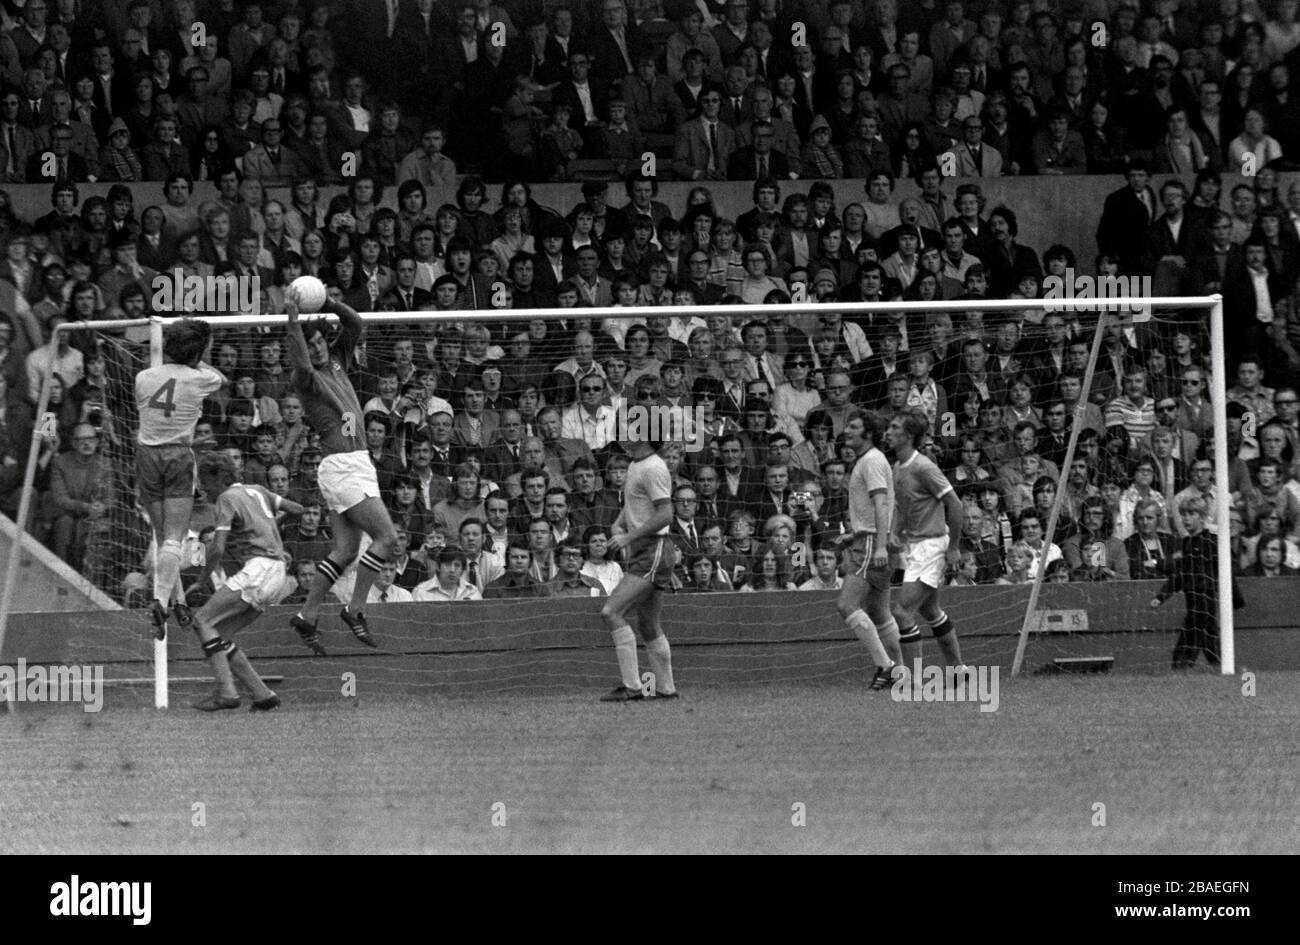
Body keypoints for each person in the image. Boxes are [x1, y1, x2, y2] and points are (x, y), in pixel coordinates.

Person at [284, 294, 401, 654]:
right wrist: (292, 321)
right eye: (310, 343)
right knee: (388, 538)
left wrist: (331, 302)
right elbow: (302, 361)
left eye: (320, 340)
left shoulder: (337, 360)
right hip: (341, 465)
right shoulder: (304, 377)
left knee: (347, 550)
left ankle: (307, 615)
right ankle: (356, 609)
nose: (316, 348)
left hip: (357, 463)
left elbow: (357, 326)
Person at [188, 451, 301, 711]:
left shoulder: (227, 499)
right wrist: (268, 530)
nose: (202, 488)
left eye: (204, 480)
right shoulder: (258, 490)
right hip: (277, 572)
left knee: (202, 620)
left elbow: (216, 549)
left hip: (258, 569)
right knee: (219, 635)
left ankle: (227, 692)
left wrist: (201, 579)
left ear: (218, 478)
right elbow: (297, 509)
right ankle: (263, 695)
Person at [135, 317, 225, 638]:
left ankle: (179, 601)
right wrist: (196, 360)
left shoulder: (143, 377)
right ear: (197, 353)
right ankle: (160, 601)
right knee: (175, 536)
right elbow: (221, 378)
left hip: (146, 457)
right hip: (177, 456)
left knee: (162, 537)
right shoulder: (201, 379)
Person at [886, 407, 968, 674]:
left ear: (909, 435)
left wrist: (953, 547)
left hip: (932, 546)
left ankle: (913, 679)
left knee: (902, 611)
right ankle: (958, 669)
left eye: (895, 428)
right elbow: (902, 506)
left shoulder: (924, 467)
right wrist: (895, 532)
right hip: (915, 545)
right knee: (931, 610)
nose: (888, 432)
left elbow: (955, 504)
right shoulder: (897, 466)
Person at [601, 435, 680, 702]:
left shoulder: (654, 467)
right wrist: (619, 523)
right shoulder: (637, 463)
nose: (624, 436)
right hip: (646, 550)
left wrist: (627, 537)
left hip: (654, 549)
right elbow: (637, 501)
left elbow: (666, 514)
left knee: (611, 611)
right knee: (648, 624)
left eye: (631, 430)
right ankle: (667, 690)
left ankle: (632, 686)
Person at [834, 409, 903, 690]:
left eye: (854, 427)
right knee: (878, 611)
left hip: (875, 543)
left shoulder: (872, 460)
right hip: (870, 538)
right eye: (847, 426)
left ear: (869, 433)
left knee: (846, 604)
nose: (847, 431)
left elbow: (881, 503)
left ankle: (885, 666)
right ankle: (901, 670)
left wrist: (881, 544)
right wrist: (855, 534)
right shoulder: (870, 460)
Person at [1151, 495, 1243, 670]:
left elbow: (1225, 571)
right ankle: (1230, 673)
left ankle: (1181, 673)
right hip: (1192, 600)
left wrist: (1236, 599)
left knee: (1186, 648)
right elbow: (1180, 574)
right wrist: (1161, 596)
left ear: (1202, 517)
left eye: (1191, 514)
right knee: (1211, 647)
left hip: (1204, 601)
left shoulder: (1212, 541)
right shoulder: (1186, 543)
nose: (1186, 518)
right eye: (1183, 514)